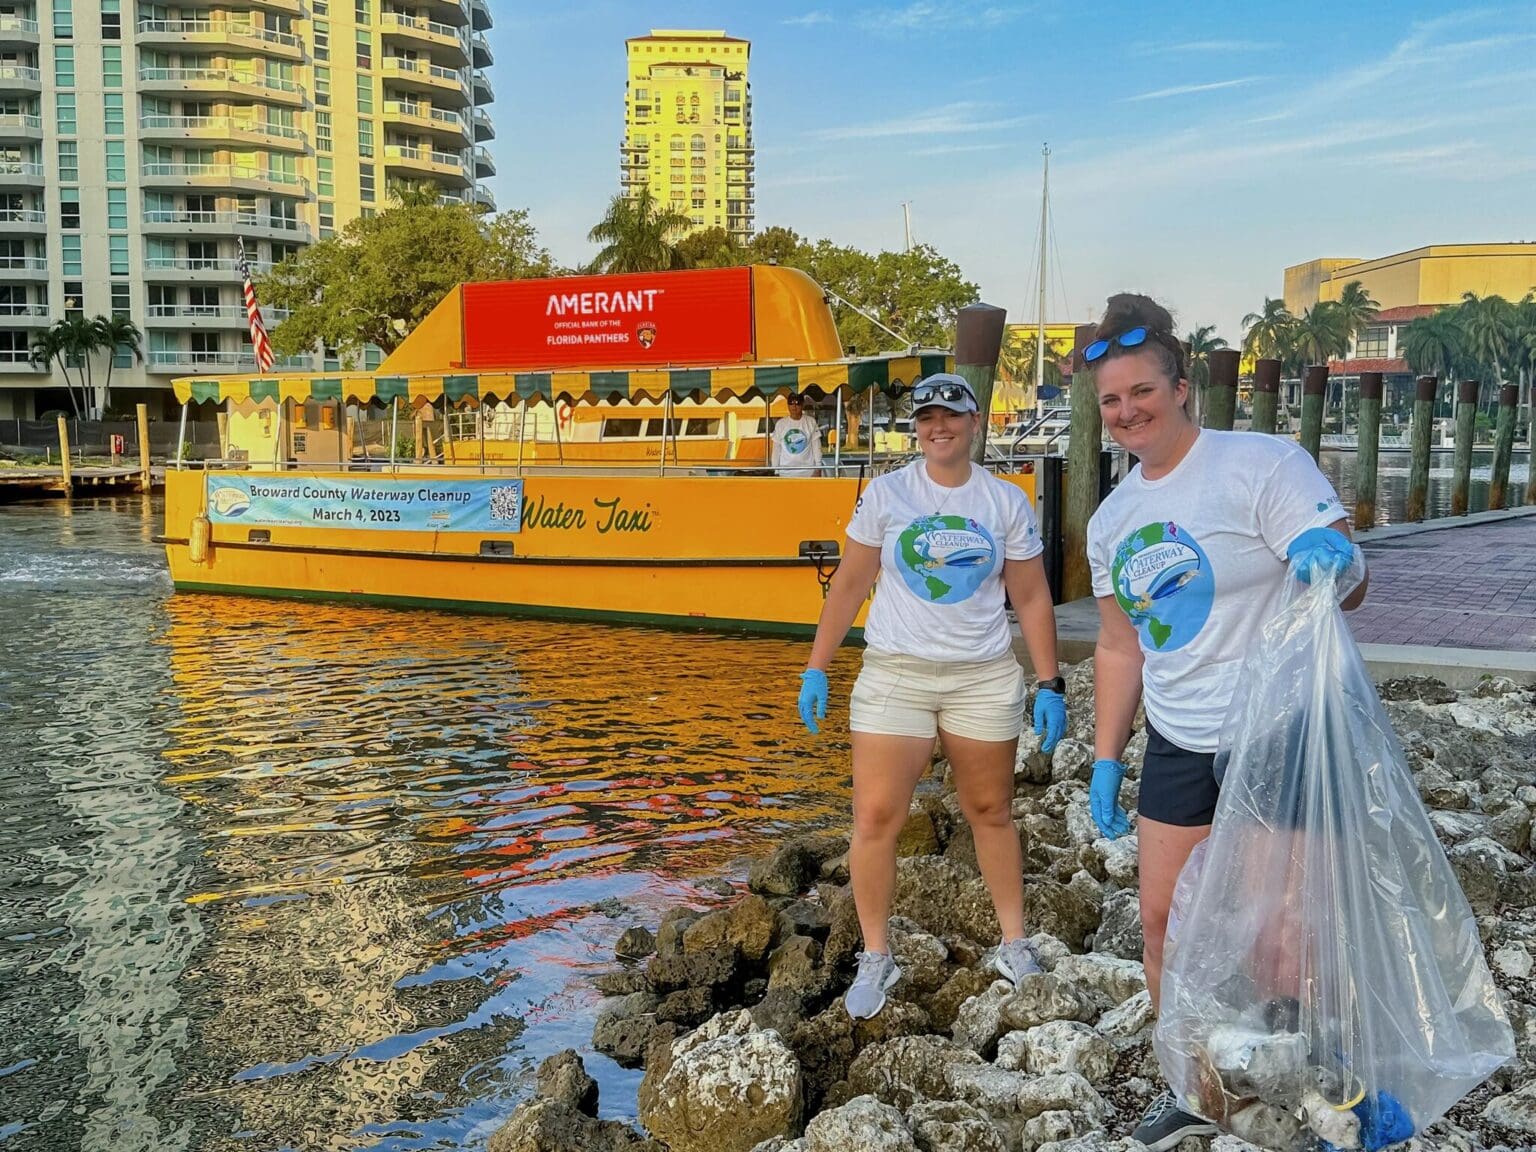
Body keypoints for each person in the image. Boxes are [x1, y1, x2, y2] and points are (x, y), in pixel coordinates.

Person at [1081, 294, 1368, 1151]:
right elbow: (1119, 647)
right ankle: (1194, 1089)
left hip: (1279, 728)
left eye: (1142, 390)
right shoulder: (1111, 520)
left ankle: (1321, 1090)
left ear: (1181, 388)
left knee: (1284, 936)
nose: (1129, 410)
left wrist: (1334, 558)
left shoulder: (1263, 464)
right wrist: (1105, 756)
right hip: (1178, 735)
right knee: (1168, 921)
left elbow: (1350, 577)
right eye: (1111, 400)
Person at [796, 371, 1068, 1020]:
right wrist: (817, 666)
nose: (937, 425)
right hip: (896, 675)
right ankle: (876, 954)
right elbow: (849, 585)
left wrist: (1051, 681)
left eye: (950, 413)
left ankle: (1014, 941)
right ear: (915, 428)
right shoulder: (887, 494)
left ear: (976, 422)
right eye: (925, 417)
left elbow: (1030, 596)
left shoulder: (1006, 502)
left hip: (982, 676)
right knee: (876, 818)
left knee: (990, 810)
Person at [771, 393, 824, 476]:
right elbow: (776, 450)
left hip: (808, 473)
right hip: (785, 473)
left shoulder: (811, 422)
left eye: (797, 403)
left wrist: (818, 468)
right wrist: (775, 471)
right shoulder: (780, 424)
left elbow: (817, 447)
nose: (794, 406)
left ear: (802, 404)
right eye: (791, 403)